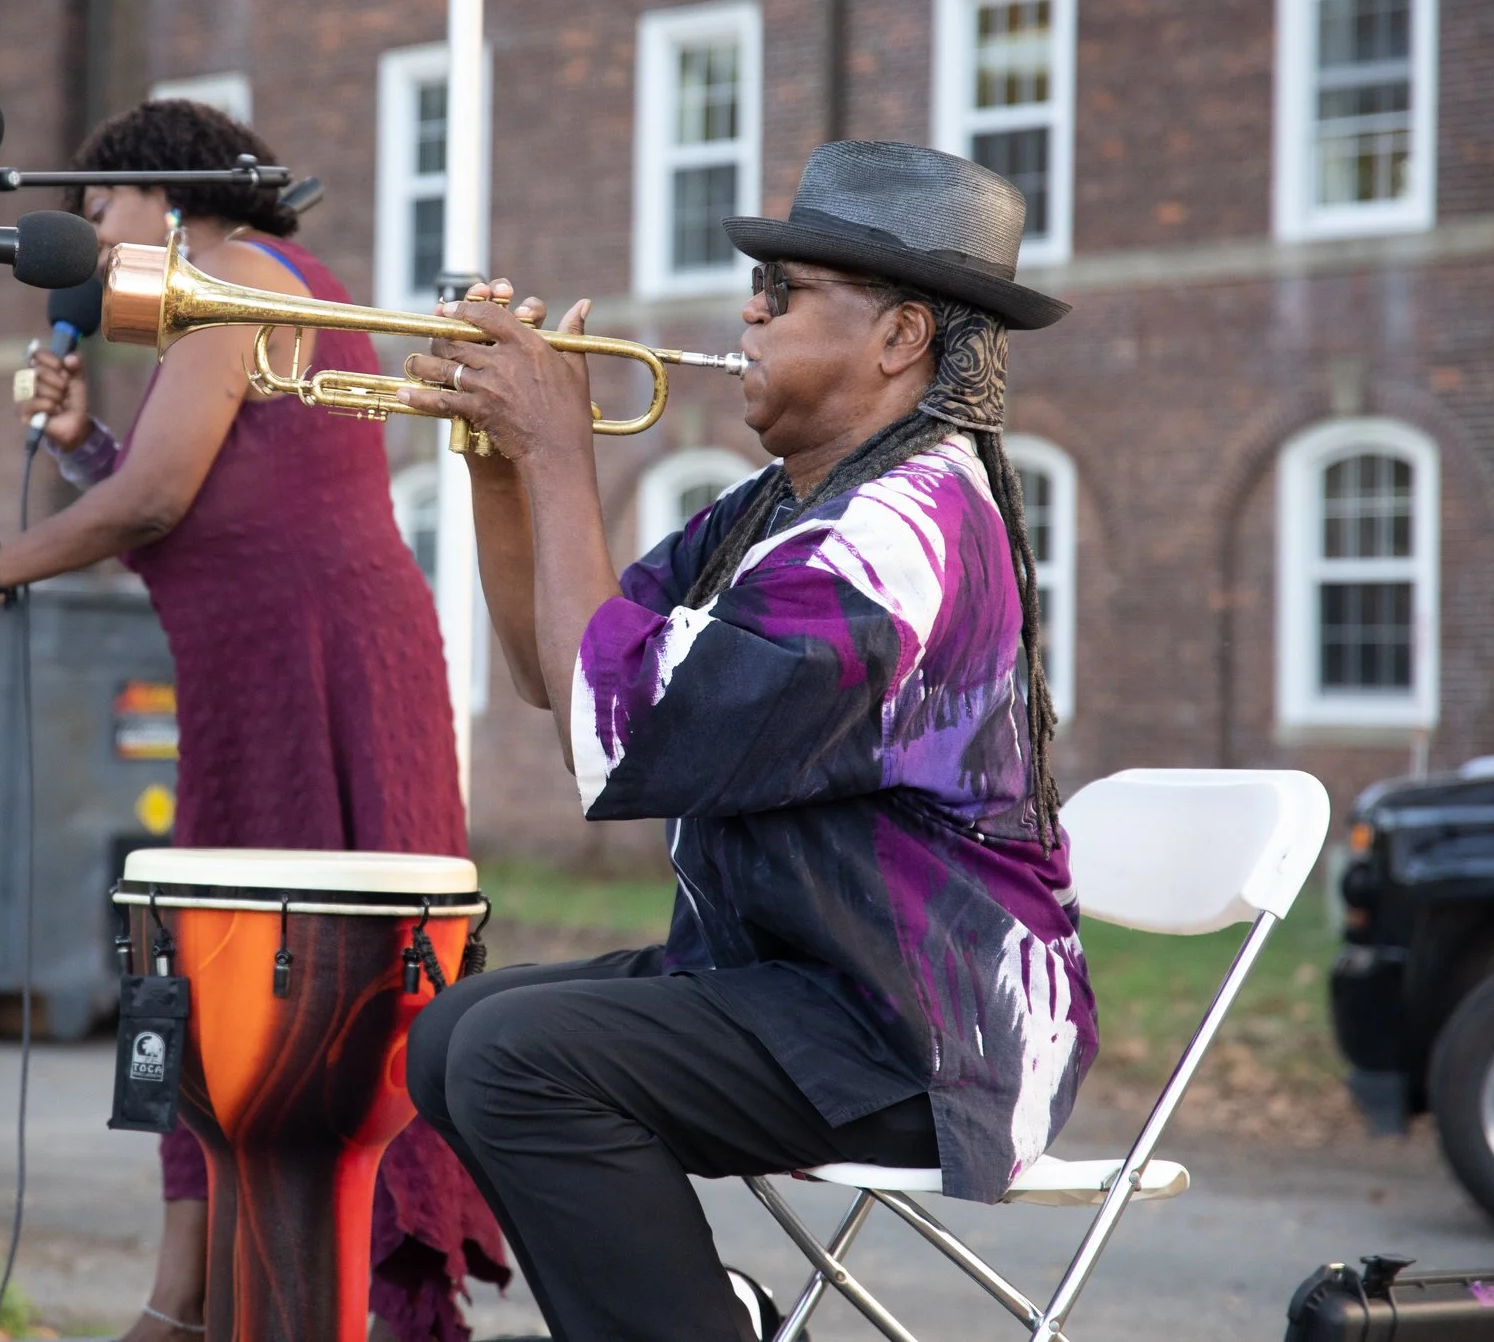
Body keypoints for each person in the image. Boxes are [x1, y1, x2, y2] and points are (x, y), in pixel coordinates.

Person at [391, 141, 1098, 1342]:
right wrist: (496, 459)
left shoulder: (901, 532)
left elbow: (625, 724)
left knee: (518, 1056)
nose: (748, 310)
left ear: (899, 336)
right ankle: (713, 1313)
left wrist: (561, 446)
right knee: (455, 1031)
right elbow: (556, 674)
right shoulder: (785, 505)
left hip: (924, 1031)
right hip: (799, 982)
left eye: (785, 291)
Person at [0, 99, 508, 1342]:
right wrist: (80, 446)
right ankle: (209, 1300)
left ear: (165, 200)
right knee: (235, 983)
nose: (95, 245)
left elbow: (160, 500)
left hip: (313, 667)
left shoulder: (224, 274)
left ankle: (249, 1303)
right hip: (275, 666)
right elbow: (210, 497)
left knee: (291, 983)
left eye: (101, 213)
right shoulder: (243, 282)